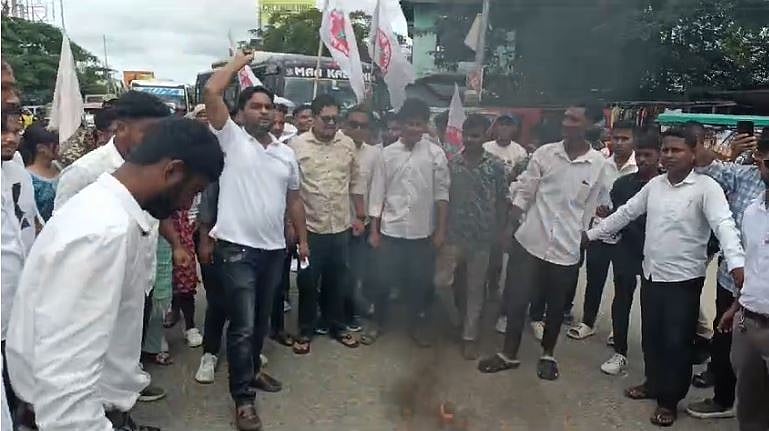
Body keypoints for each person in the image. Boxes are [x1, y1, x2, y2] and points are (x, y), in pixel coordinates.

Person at [5, 117, 224, 431]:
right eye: (193, 191)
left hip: (99, 406)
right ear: (173, 170)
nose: (187, 204)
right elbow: (66, 389)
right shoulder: (104, 233)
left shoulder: (105, 210)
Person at [584, 128, 745, 427]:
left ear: (693, 153)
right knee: (651, 338)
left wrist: (737, 264)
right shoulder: (655, 186)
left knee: (676, 343)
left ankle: (669, 400)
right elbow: (625, 214)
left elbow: (725, 226)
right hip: (652, 275)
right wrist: (591, 235)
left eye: (677, 150)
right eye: (666, 150)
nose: (669, 156)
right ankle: (653, 383)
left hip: (684, 281)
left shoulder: (706, 188)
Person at [204, 51, 308, 431]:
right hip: (237, 250)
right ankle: (243, 400)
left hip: (274, 252)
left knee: (262, 321)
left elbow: (294, 199)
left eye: (269, 107)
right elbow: (212, 90)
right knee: (244, 325)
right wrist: (234, 64)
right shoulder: (231, 140)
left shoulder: (285, 155)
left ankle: (251, 372)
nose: (264, 112)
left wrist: (302, 237)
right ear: (242, 112)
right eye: (256, 106)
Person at [53, 90, 178, 403]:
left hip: (140, 279)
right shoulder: (85, 172)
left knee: (126, 352)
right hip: (96, 289)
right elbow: (61, 238)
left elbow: (154, 218)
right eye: (149, 133)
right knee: (93, 363)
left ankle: (123, 409)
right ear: (120, 128)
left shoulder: (153, 167)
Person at [477, 103, 609, 381]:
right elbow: (524, 193)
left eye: (574, 119)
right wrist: (509, 227)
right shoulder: (545, 154)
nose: (566, 122)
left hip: (566, 249)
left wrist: (584, 236)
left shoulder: (598, 164)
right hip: (530, 242)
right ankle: (508, 355)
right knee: (516, 300)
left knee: (556, 306)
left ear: (590, 125)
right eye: (566, 117)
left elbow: (590, 207)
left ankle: (548, 355)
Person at [685, 128, 766, 419]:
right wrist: (728, 152)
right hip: (732, 282)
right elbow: (701, 166)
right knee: (725, 344)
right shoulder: (742, 177)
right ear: (759, 158)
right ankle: (723, 398)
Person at [367, 98, 450, 347]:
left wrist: (440, 231)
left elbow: (442, 195)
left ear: (425, 126)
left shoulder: (436, 154)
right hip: (390, 231)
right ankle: (378, 323)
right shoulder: (387, 154)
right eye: (410, 123)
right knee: (382, 280)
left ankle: (415, 326)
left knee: (419, 283)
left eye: (419, 124)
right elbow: (377, 194)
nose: (414, 128)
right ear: (401, 124)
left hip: (421, 233)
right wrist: (374, 231)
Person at [289, 93, 365, 354]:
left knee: (338, 279)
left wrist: (360, 216)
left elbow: (355, 182)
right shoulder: (296, 146)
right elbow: (291, 192)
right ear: (314, 117)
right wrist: (294, 231)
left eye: (335, 119)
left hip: (341, 226)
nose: (331, 124)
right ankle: (306, 330)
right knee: (308, 281)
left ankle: (337, 325)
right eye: (326, 119)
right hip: (310, 228)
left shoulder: (347, 145)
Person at [435, 114, 506, 359]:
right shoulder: (452, 164)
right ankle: (455, 320)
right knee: (441, 282)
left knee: (476, 290)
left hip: (482, 238)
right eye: (467, 135)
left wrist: (501, 234)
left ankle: (469, 336)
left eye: (475, 135)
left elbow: (502, 202)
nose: (470, 140)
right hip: (453, 235)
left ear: (486, 136)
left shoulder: (496, 166)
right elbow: (443, 199)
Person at [568, 120, 639, 340]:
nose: (619, 143)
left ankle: (618, 331)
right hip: (598, 230)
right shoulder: (600, 165)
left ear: (634, 141)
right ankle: (588, 322)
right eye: (615, 138)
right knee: (594, 279)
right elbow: (587, 193)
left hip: (627, 237)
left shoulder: (640, 168)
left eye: (624, 139)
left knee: (623, 285)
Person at [599, 130, 661, 376]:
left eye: (648, 155)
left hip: (655, 254)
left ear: (658, 157)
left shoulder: (666, 186)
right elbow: (617, 215)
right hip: (626, 249)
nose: (643, 160)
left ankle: (652, 357)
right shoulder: (623, 184)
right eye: (640, 155)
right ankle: (620, 352)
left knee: (651, 306)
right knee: (622, 299)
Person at [718, 141, 769, 431]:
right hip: (747, 325)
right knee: (749, 413)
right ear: (760, 164)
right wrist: (736, 307)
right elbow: (752, 267)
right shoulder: (752, 212)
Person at [481, 114, 529, 332]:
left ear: (514, 129)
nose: (504, 129)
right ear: (495, 127)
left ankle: (497, 292)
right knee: (487, 252)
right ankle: (484, 289)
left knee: (505, 252)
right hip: (486, 207)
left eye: (509, 125)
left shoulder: (520, 153)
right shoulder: (485, 147)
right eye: (501, 125)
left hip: (510, 208)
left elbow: (523, 183)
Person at [342, 105, 380, 335]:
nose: (357, 130)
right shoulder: (336, 149)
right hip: (332, 223)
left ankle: (353, 311)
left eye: (362, 126)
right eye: (353, 124)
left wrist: (371, 223)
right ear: (344, 126)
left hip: (361, 224)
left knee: (356, 272)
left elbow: (377, 191)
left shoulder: (375, 155)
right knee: (333, 272)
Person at [1, 111, 27, 426]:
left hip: (18, 291)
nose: (9, 138)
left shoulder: (16, 165)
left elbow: (27, 217)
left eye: (15, 130)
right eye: (2, 131)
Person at [20, 124, 60, 221]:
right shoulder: (27, 178)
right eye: (55, 144)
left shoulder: (60, 167)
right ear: (41, 148)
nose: (59, 147)